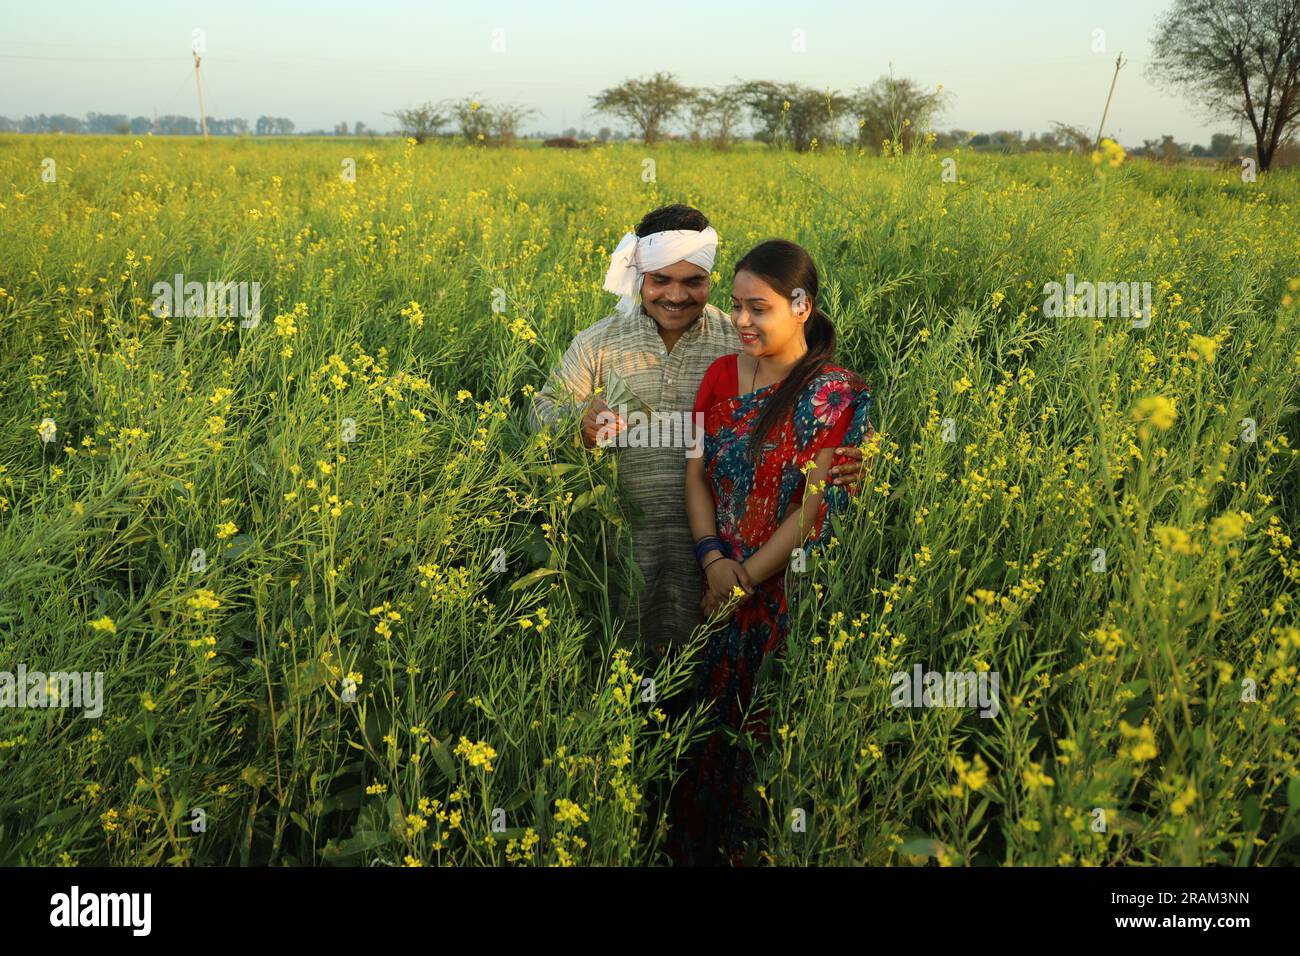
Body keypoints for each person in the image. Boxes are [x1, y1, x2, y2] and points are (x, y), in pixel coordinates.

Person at [529, 206, 865, 658]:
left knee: (699, 674)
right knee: (621, 660)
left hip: (717, 560)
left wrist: (846, 464)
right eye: (660, 280)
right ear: (639, 277)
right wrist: (579, 421)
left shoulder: (740, 340)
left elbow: (802, 422)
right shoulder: (599, 342)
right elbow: (540, 412)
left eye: (693, 282)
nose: (675, 295)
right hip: (622, 552)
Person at [669, 239, 874, 866]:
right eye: (735, 307)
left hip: (786, 601)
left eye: (758, 308)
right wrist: (712, 563)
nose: (740, 322)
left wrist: (744, 578)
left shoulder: (839, 396)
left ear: (802, 305)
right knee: (697, 745)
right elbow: (694, 475)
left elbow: (814, 508)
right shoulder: (721, 376)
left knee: (766, 747)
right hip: (712, 593)